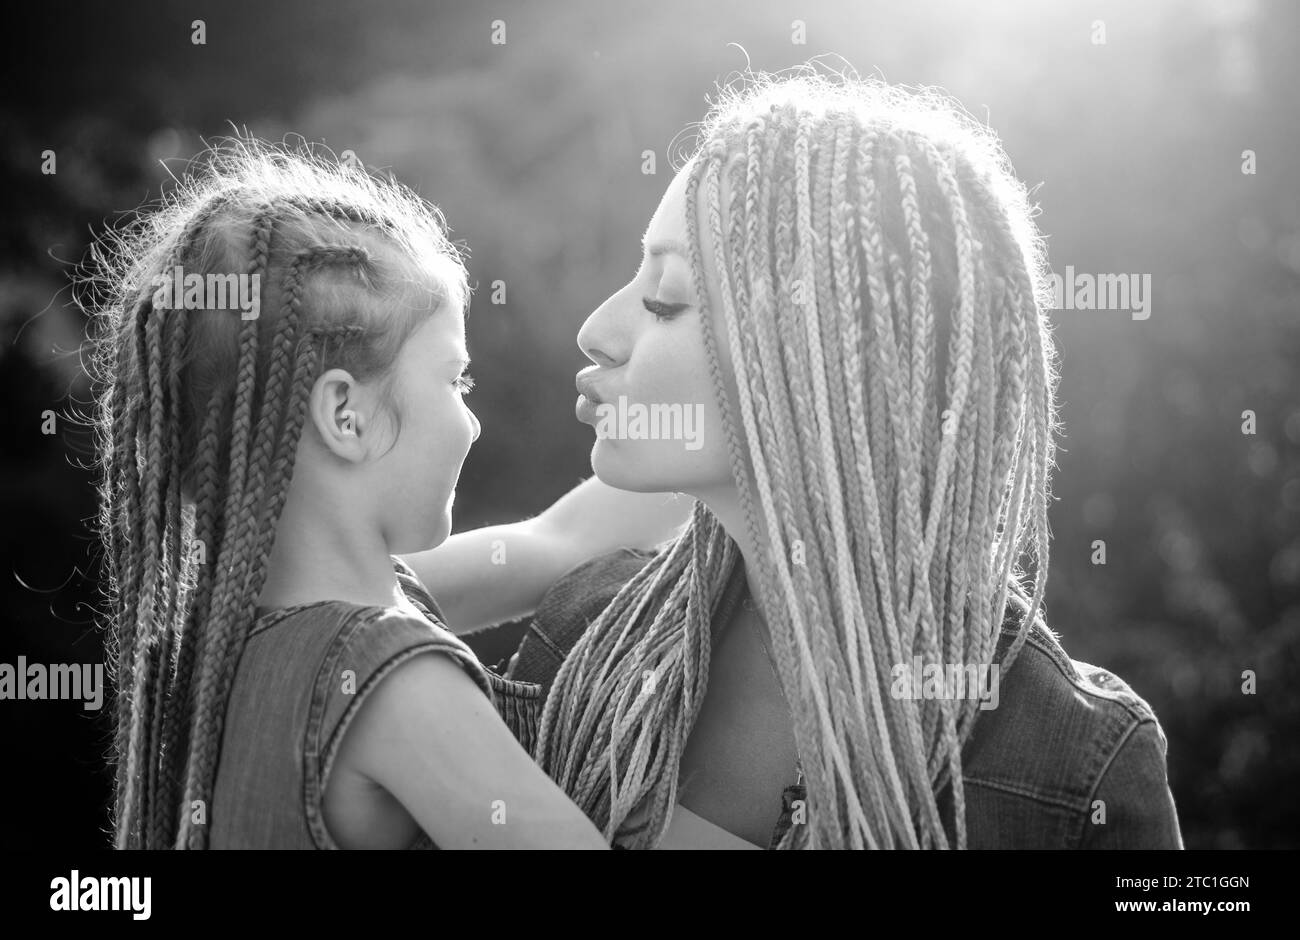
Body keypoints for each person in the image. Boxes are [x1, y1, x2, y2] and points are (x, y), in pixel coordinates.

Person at [504, 71, 1185, 849]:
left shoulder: (1072, 765)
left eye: (664, 299)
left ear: (823, 356)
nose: (596, 329)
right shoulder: (586, 632)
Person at [90, 140, 682, 849]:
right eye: (454, 380)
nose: (471, 419)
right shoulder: (395, 687)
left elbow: (561, 543)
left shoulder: (232, 637)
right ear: (347, 416)